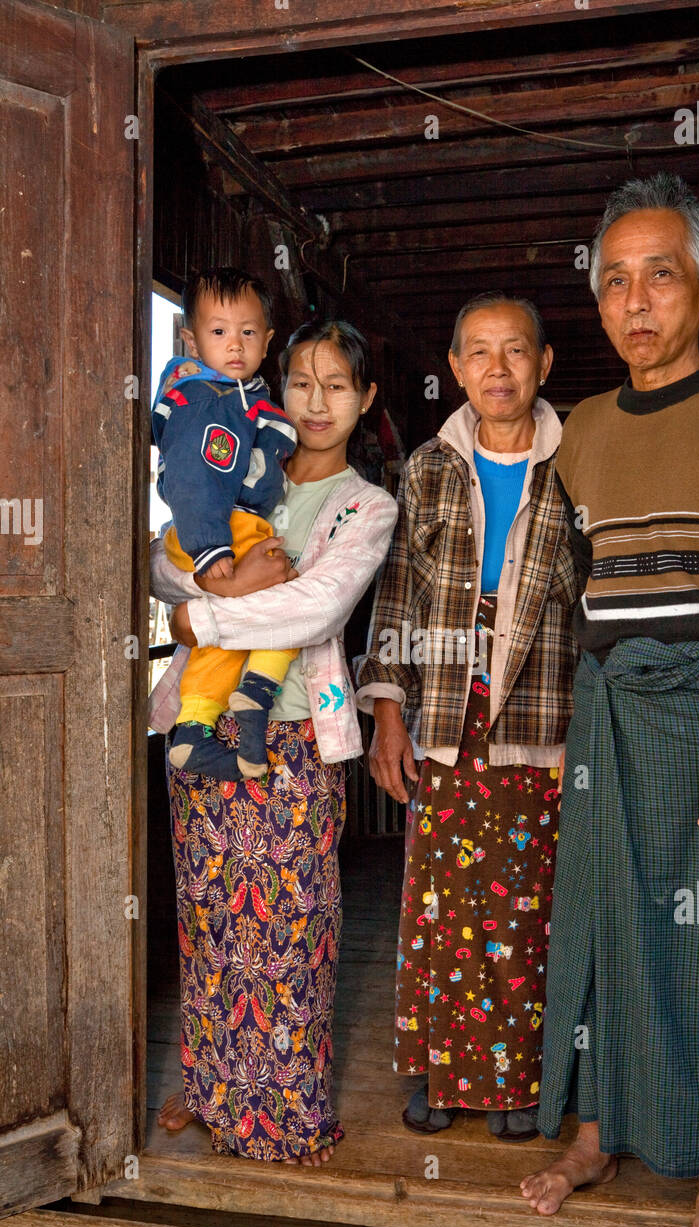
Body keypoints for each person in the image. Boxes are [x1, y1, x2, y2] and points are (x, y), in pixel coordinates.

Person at [520, 173, 699, 1227]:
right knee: (602, 924)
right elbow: (579, 592)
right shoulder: (582, 429)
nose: (634, 300)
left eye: (659, 276)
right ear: (595, 304)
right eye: (612, 282)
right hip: (606, 713)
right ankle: (597, 1133)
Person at [149, 320, 398, 1165]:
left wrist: (201, 610)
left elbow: (316, 606)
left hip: (292, 734)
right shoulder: (241, 464)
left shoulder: (367, 504)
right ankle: (214, 1088)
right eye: (300, 382)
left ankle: (286, 1113)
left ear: (365, 401)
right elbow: (163, 554)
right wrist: (213, 577)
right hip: (203, 721)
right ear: (276, 387)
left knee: (292, 927)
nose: (316, 401)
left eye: (337, 385)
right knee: (210, 919)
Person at [355, 293, 579, 1141]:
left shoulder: (575, 462)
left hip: (539, 708)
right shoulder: (426, 468)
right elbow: (397, 595)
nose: (497, 368)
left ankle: (518, 1079)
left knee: (526, 903)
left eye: (515, 351)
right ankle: (445, 1076)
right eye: (478, 353)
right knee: (441, 901)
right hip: (446, 706)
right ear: (454, 368)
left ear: (544, 363)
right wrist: (386, 714)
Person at [153, 267, 300, 780]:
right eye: (218, 332)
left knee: (223, 637)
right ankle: (257, 697)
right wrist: (212, 550)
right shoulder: (205, 401)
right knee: (285, 593)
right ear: (191, 340)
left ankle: (192, 732)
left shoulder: (242, 399)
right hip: (219, 530)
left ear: (268, 341)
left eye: (248, 332)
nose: (234, 345)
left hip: (219, 531)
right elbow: (193, 480)